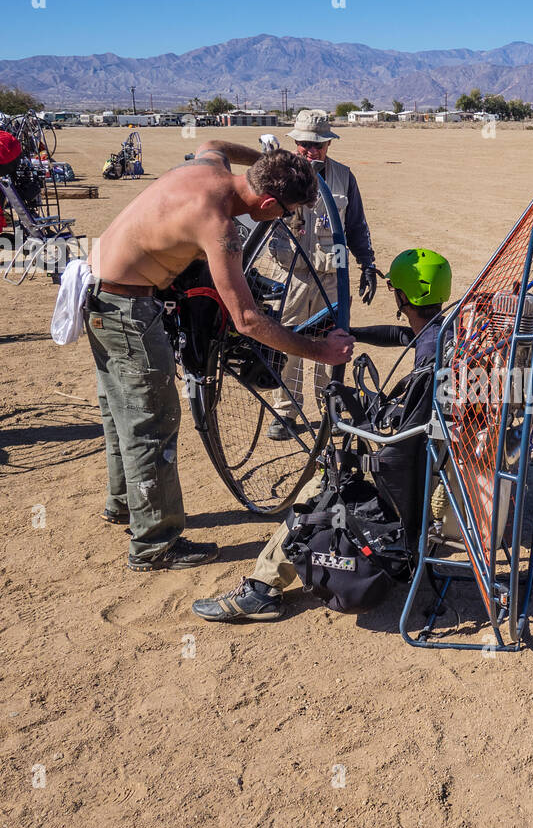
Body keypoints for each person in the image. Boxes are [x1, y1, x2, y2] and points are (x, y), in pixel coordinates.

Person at [88, 141, 355, 572]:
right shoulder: (219, 227)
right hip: (127, 310)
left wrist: (272, 157)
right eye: (284, 212)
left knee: (120, 411)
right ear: (267, 203)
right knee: (151, 420)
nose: (284, 220)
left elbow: (210, 143)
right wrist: (319, 349)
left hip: (99, 295)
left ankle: (125, 504)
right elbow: (248, 320)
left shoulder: (210, 167)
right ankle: (154, 544)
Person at [191, 248, 451, 620]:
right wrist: (354, 333)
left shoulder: (425, 370)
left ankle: (262, 588)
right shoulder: (447, 334)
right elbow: (405, 334)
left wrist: (354, 415)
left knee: (323, 482)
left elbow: (398, 446)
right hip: (441, 476)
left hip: (408, 489)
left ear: (401, 296)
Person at [268, 109, 379, 439]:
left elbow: (356, 226)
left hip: (332, 280)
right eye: (303, 144)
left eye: (318, 145)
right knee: (287, 344)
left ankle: (329, 410)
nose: (310, 151)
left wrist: (367, 265)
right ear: (294, 142)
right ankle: (285, 412)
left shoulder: (344, 177)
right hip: (291, 278)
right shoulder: (277, 174)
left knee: (329, 347)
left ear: (329, 144)